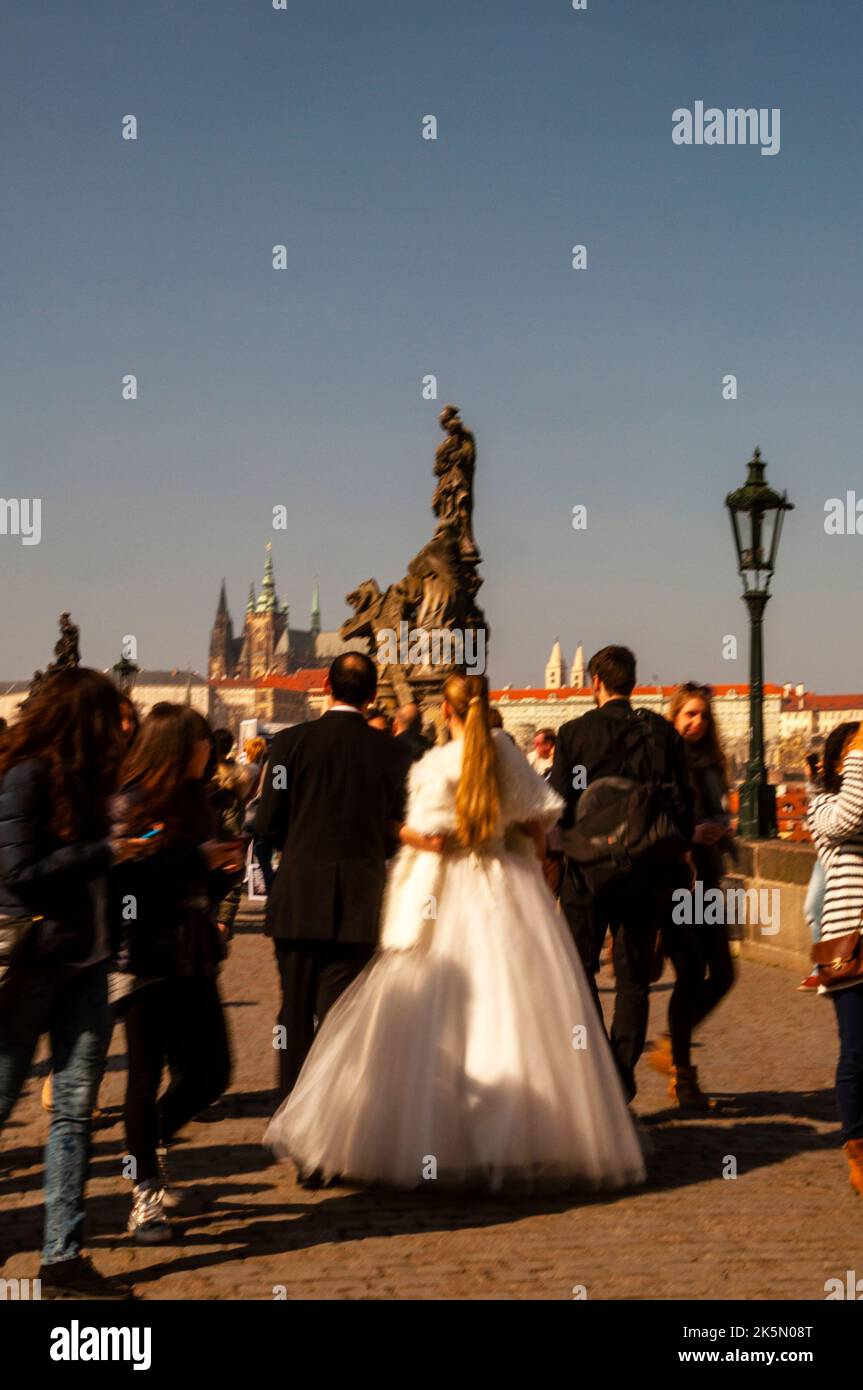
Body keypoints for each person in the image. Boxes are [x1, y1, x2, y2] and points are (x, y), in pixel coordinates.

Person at [265, 672, 646, 1192]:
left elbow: (431, 839)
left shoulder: (436, 765)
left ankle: (436, 1140)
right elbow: (539, 829)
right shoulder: (509, 754)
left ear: (445, 712)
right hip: (506, 887)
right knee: (513, 1010)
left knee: (433, 1012)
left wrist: (393, 830)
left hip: (446, 894)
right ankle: (522, 1138)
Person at [0, 668, 148, 1299]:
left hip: (87, 964)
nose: (121, 731)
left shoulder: (92, 783)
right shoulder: (26, 774)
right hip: (33, 961)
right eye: (109, 719)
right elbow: (21, 873)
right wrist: (109, 853)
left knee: (75, 1113)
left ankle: (62, 1257)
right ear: (81, 718)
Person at [254, 653, 409, 1105]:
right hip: (359, 899)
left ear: (326, 687)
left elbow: (266, 824)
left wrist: (299, 844)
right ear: (373, 695)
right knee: (343, 1017)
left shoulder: (288, 744)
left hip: (299, 896)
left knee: (294, 1014)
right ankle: (334, 1123)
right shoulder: (392, 752)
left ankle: (292, 1115)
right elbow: (397, 826)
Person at [110, 705, 239, 1243]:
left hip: (192, 954)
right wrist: (198, 863)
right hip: (141, 958)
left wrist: (220, 877)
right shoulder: (130, 801)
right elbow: (127, 888)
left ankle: (150, 1143)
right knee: (144, 1074)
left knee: (212, 1072)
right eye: (201, 742)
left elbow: (194, 886)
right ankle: (144, 1196)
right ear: (175, 746)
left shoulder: (198, 801)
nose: (210, 749)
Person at [550, 646, 693, 1101]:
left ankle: (605, 1066)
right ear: (631, 683)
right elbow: (682, 808)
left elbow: (561, 804)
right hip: (644, 872)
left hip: (586, 873)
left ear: (595, 682)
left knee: (579, 969)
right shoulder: (661, 733)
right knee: (633, 979)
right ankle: (621, 1068)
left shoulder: (574, 734)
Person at [647, 683, 735, 1108]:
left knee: (723, 974)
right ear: (675, 717)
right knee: (689, 974)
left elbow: (720, 809)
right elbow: (653, 821)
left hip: (709, 878)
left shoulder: (714, 762)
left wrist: (722, 827)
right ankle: (684, 1078)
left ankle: (670, 1045)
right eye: (690, 715)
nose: (697, 722)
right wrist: (690, 834)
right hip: (677, 880)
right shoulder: (664, 761)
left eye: (703, 715)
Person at [808, 720, 863, 1195]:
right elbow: (851, 815)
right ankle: (857, 1145)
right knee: (856, 1051)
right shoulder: (823, 807)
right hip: (850, 947)